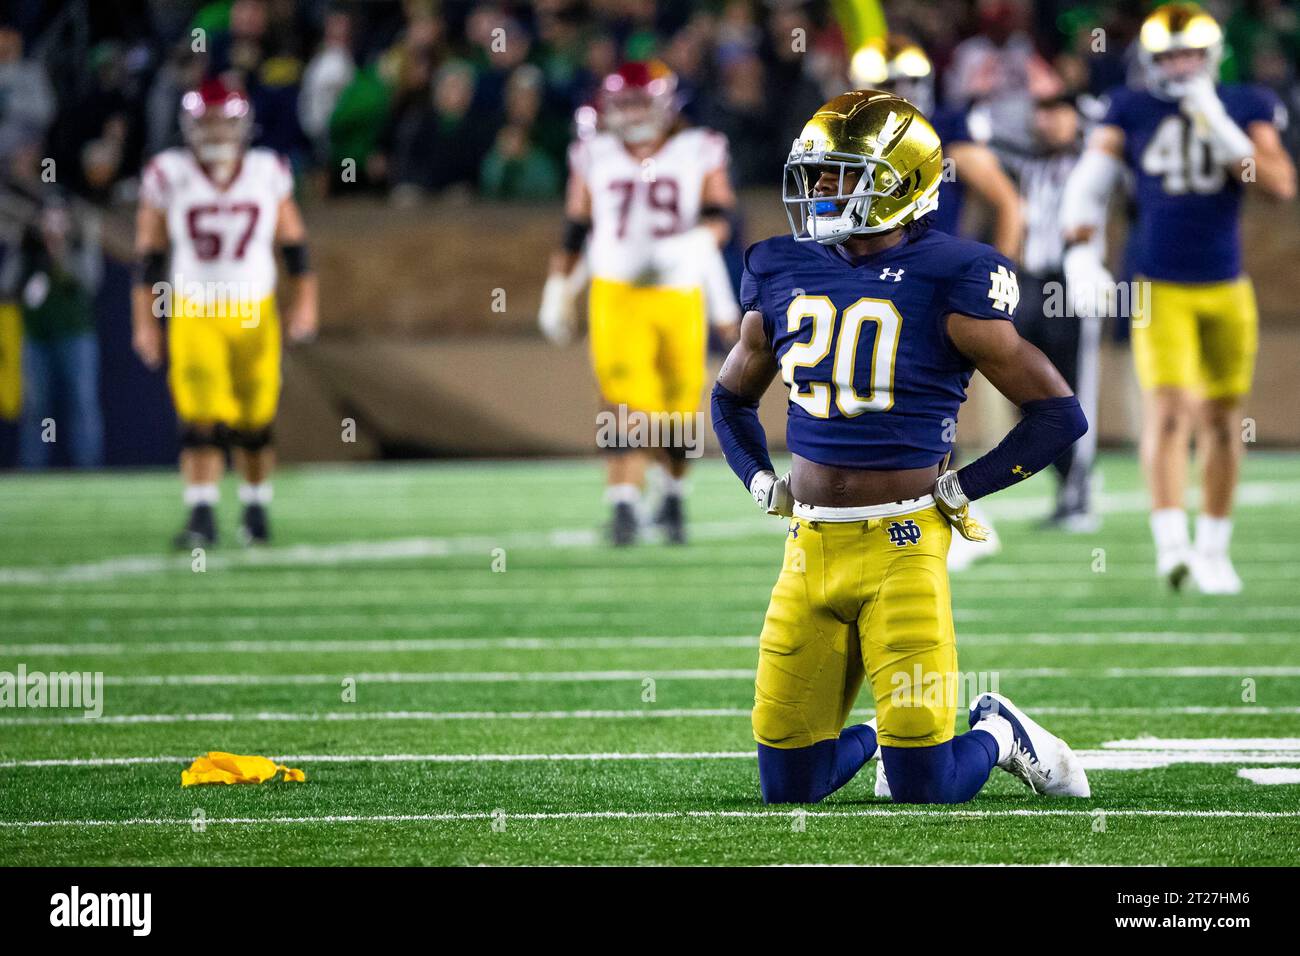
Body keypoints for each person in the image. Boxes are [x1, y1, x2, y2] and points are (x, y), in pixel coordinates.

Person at [710, 90, 1090, 804]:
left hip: (904, 542)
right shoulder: (781, 265)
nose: (820, 188)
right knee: (789, 791)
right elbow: (729, 398)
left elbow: (1058, 413)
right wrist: (758, 479)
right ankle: (894, 738)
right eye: (816, 172)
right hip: (809, 546)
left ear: (900, 180)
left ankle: (1003, 733)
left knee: (924, 791)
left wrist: (966, 486)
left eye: (841, 172)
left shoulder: (954, 274)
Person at [1062, 2, 1296, 593]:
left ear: (1212, 55)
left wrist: (1215, 120)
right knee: (1168, 414)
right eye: (1167, 55)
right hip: (1158, 285)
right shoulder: (1130, 106)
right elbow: (1089, 185)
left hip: (1225, 286)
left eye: (1188, 52)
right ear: (1151, 58)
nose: (1179, 64)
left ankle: (1215, 549)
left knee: (1222, 421)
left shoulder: (1245, 103)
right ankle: (1173, 547)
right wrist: (1080, 254)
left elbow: (1277, 184)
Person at [538, 61, 738, 546]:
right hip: (617, 293)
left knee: (678, 408)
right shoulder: (594, 152)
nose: (629, 113)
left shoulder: (699, 148)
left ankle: (672, 496)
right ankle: (623, 503)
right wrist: (558, 286)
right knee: (621, 403)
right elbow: (575, 227)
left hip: (680, 292)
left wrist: (697, 249)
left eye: (637, 102)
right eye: (621, 103)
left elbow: (720, 216)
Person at [132, 79, 318, 548]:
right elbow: (148, 257)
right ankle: (202, 512)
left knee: (255, 420)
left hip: (254, 310)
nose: (215, 132)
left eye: (223, 122)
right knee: (200, 415)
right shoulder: (167, 172)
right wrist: (144, 321)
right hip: (195, 308)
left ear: (243, 125)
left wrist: (306, 302)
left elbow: (295, 246)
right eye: (207, 122)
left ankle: (255, 507)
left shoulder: (266, 170)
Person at [1005, 94, 1102, 531]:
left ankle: (1079, 493)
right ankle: (1066, 481)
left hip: (1074, 284)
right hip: (1031, 283)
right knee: (1027, 390)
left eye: (1056, 115)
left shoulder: (1093, 162)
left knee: (1074, 390)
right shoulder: (1031, 166)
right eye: (1040, 115)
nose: (1045, 124)